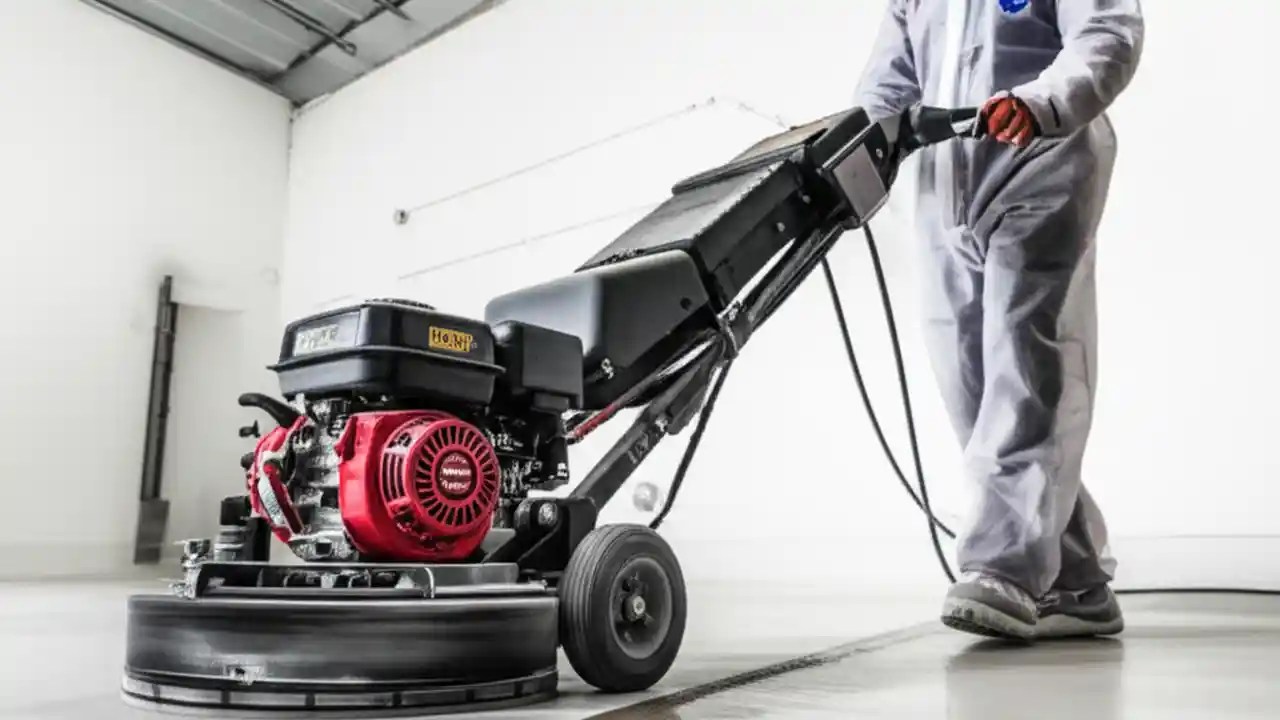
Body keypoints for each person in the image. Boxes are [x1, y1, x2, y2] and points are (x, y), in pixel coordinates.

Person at [853, 0, 1144, 640]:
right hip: (942, 178)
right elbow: (891, 80)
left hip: (1041, 159)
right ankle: (1076, 581)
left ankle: (1003, 568)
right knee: (969, 382)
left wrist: (1044, 100)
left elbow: (1107, 31)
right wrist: (854, 153)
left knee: (1025, 361)